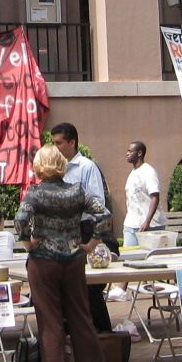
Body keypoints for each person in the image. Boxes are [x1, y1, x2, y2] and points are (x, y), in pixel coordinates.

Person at [14, 145, 115, 362]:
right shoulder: (76, 191)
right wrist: (92, 243)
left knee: (50, 319)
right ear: (61, 165)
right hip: (73, 259)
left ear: (39, 167)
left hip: (44, 260)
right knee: (81, 315)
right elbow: (104, 214)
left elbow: (20, 219)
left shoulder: (35, 194)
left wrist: (27, 241)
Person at [50, 121, 115, 331]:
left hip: (84, 229)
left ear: (72, 142)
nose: (56, 147)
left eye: (59, 142)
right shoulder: (57, 168)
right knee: (68, 287)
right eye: (53, 143)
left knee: (89, 286)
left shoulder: (86, 167)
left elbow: (98, 203)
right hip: (64, 233)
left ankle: (104, 333)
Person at [122, 140, 164, 248]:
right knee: (130, 258)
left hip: (150, 226)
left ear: (139, 153)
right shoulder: (132, 173)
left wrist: (147, 221)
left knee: (150, 260)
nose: (127, 154)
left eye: (130, 151)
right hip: (131, 225)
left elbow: (155, 197)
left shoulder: (149, 172)